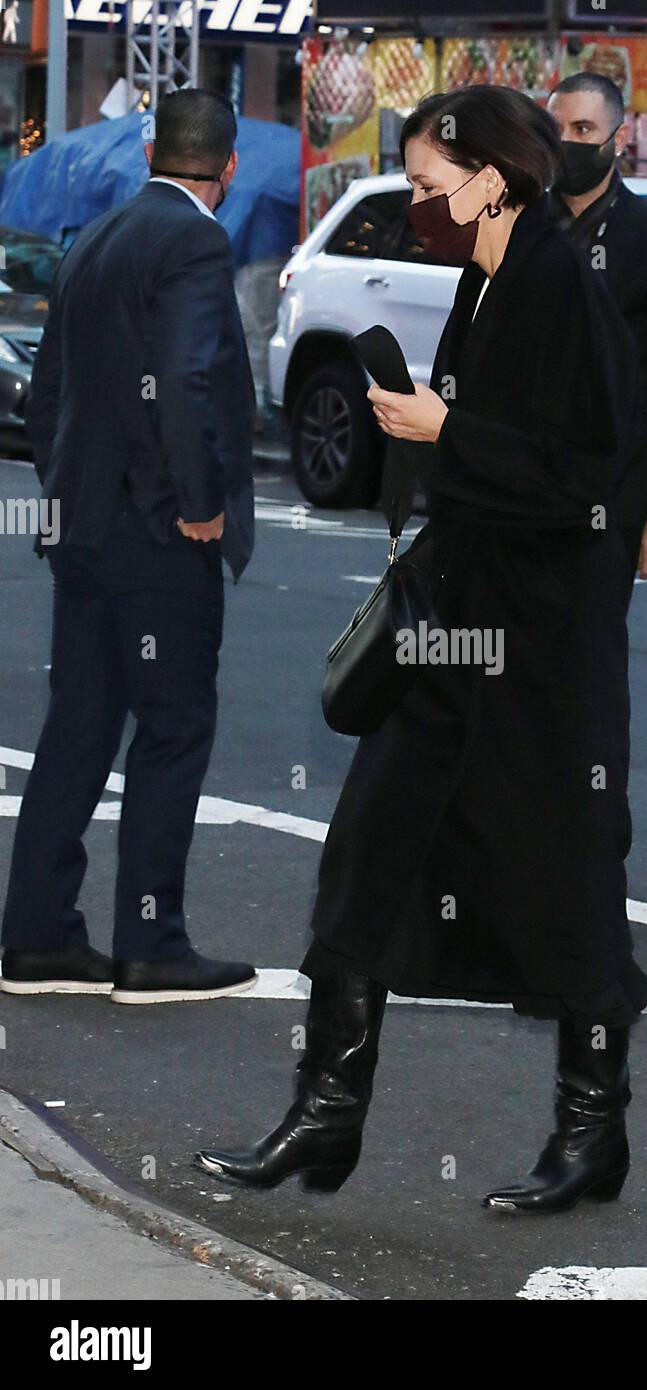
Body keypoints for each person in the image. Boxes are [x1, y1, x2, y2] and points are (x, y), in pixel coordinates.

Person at [196, 85, 647, 1215]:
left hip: (540, 661)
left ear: (496, 178)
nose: (417, 206)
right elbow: (478, 453)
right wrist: (419, 422)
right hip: (454, 637)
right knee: (368, 851)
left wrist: (449, 430)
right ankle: (325, 1111)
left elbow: (589, 475)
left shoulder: (559, 286)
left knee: (567, 894)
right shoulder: (485, 281)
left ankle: (592, 1130)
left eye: (431, 186)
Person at [0, 89, 257, 1005]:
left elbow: (46, 394)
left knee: (78, 727)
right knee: (174, 728)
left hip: (84, 530)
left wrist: (66, 496)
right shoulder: (194, 240)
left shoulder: (95, 238)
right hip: (157, 533)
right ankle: (150, 945)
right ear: (227, 168)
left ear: (152, 150)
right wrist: (199, 502)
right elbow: (189, 378)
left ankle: (34, 936)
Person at [548, 71, 647, 594]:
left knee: (588, 662)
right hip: (519, 494)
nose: (567, 143)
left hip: (612, 497)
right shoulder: (514, 227)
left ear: (619, 139)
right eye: (556, 130)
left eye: (582, 128)